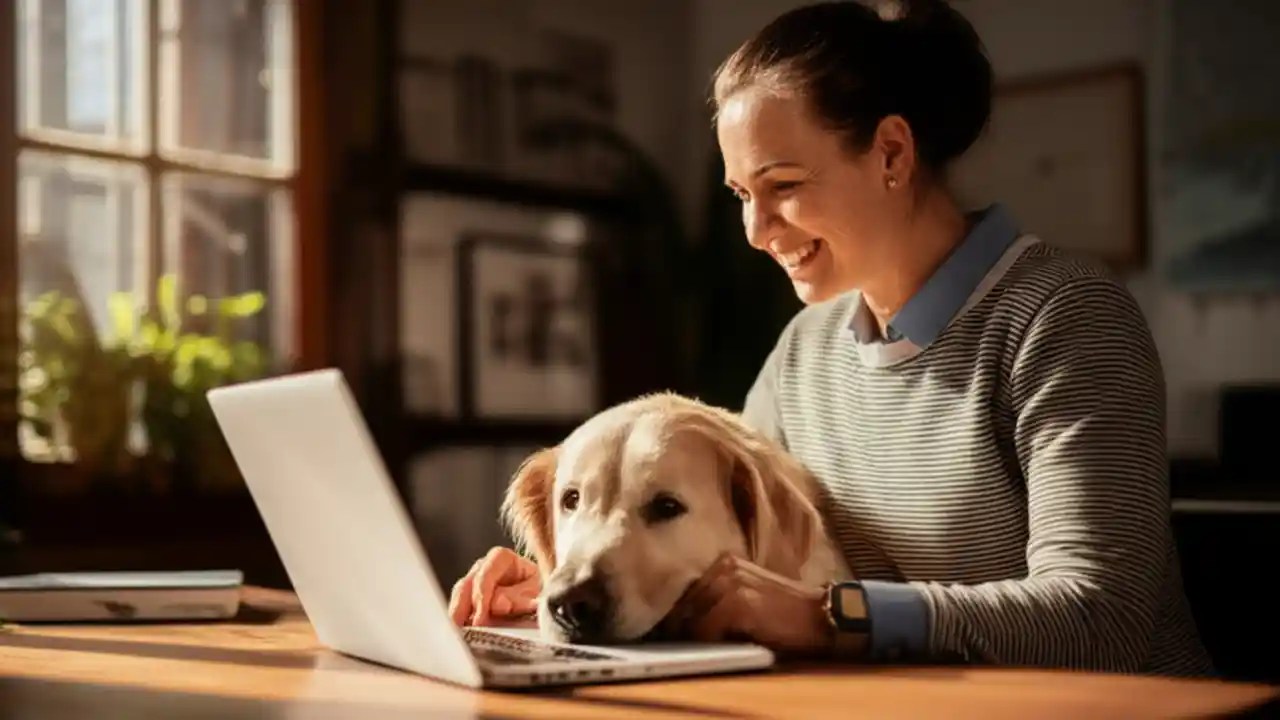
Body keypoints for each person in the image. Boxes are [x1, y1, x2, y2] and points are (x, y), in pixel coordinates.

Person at [448, 0, 1214, 676]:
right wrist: (575, 582)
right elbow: (724, 550)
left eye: (783, 185)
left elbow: (1101, 621)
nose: (755, 230)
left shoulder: (1066, 317)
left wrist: (832, 616)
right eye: (743, 195)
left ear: (890, 153)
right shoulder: (803, 352)